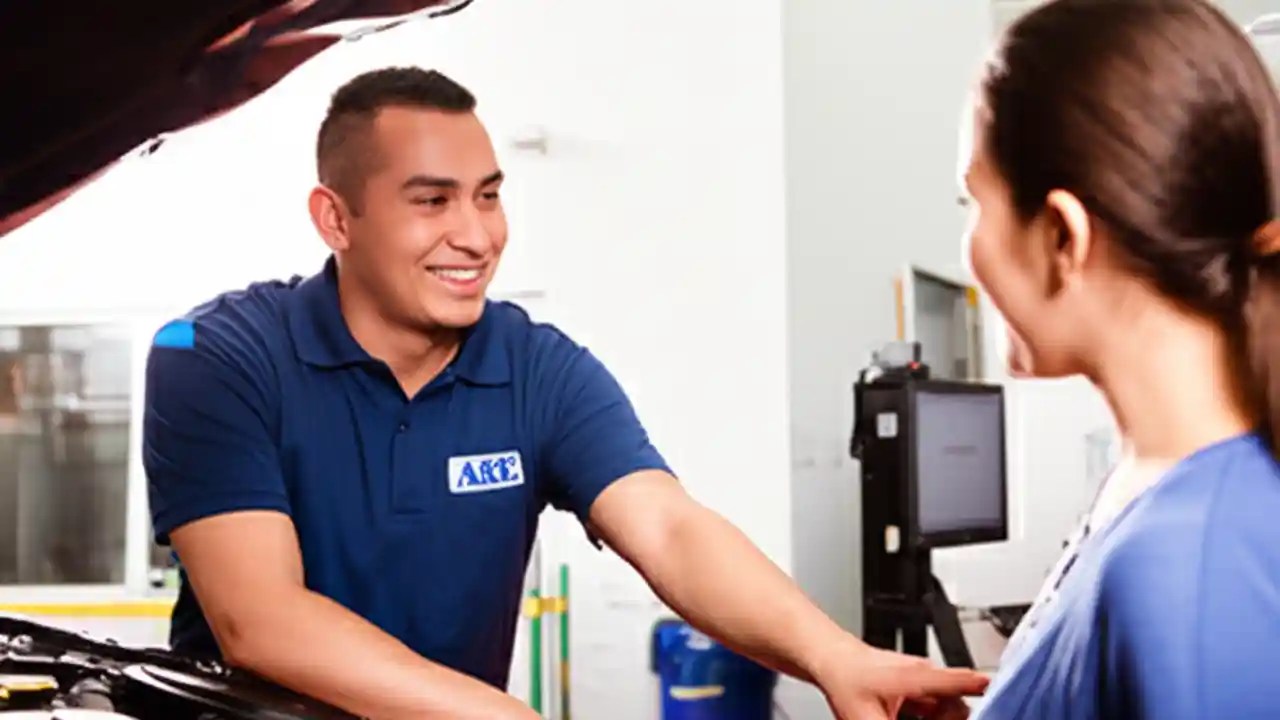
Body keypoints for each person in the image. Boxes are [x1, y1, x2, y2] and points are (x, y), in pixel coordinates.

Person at [142, 67, 987, 720]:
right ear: (336, 219)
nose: (474, 236)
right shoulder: (217, 357)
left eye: (488, 196)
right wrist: (503, 714)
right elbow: (263, 620)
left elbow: (669, 527)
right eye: (431, 201)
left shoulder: (536, 368)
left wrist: (832, 655)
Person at [957, 0, 1280, 717]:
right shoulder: (1154, 487)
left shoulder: (1190, 570)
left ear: (1062, 236)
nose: (971, 246)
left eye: (972, 202)